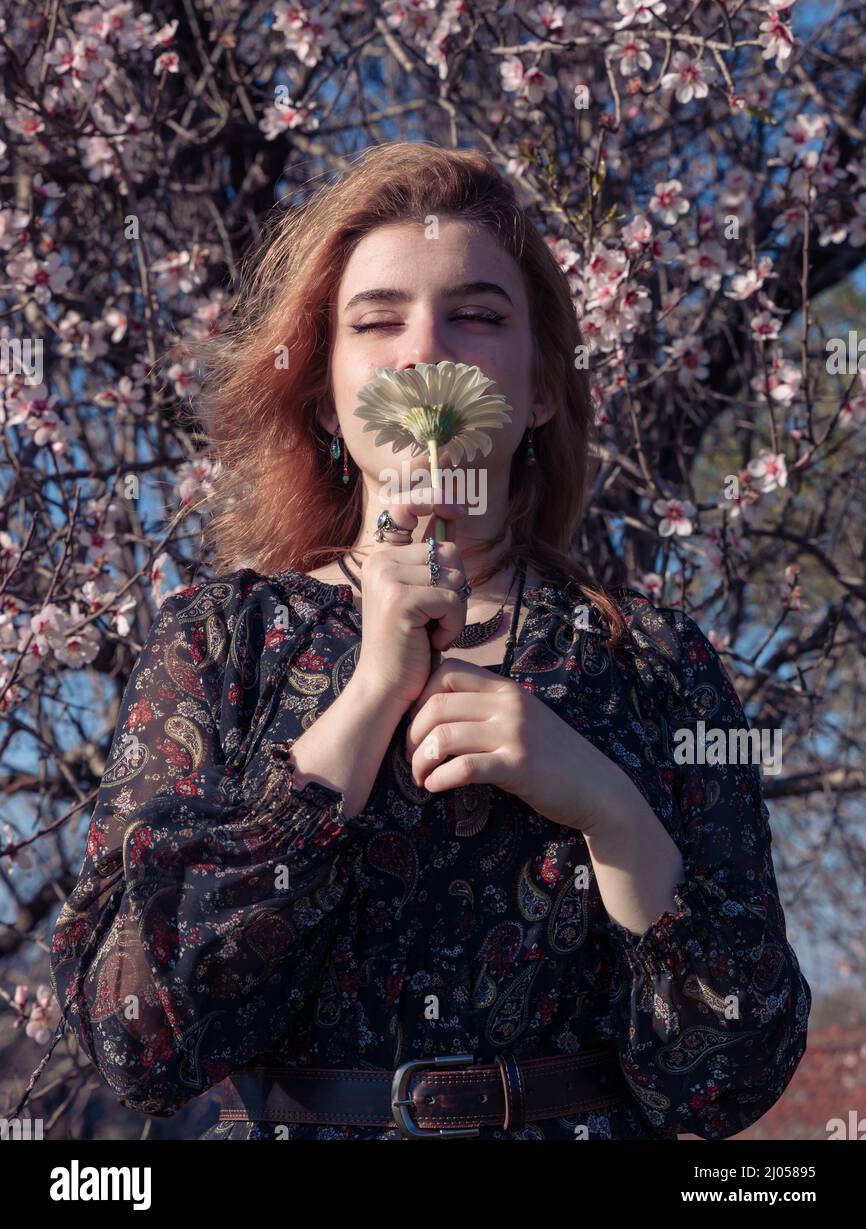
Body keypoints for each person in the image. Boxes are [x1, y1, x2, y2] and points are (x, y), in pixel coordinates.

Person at [49, 142, 811, 1141]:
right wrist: (364, 702)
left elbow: (728, 1078)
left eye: (478, 315)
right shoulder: (222, 641)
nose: (424, 349)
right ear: (324, 394)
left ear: (540, 388)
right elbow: (136, 1037)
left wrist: (608, 810)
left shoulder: (652, 662)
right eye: (376, 320)